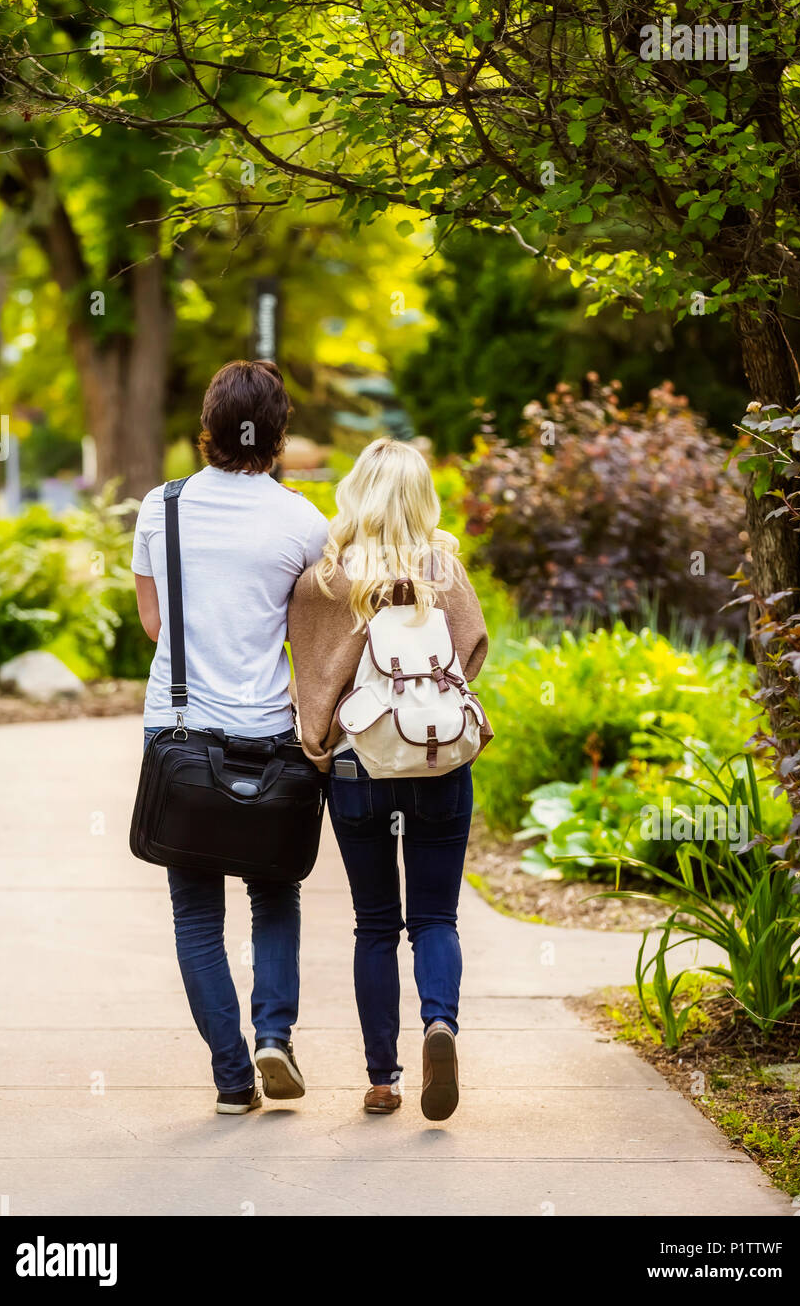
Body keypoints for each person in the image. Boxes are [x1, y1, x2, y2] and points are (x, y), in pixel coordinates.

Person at [132, 359, 328, 1115]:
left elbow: (155, 627)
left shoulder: (163, 507)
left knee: (194, 914)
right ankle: (274, 1035)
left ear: (207, 428)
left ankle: (230, 1081)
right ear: (277, 436)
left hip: (179, 735)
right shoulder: (304, 524)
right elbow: (313, 637)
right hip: (270, 738)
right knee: (274, 895)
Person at [288, 437, 492, 1120]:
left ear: (356, 495)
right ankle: (441, 1025)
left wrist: (321, 746)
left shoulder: (329, 579)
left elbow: (313, 679)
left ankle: (384, 1078)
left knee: (374, 924)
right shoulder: (446, 571)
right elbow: (472, 653)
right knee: (436, 916)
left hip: (358, 768)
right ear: (422, 499)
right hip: (436, 763)